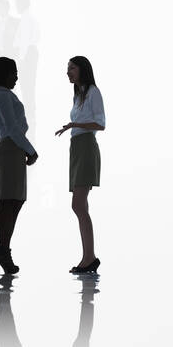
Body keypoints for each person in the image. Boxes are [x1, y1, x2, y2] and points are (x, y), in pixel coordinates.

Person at [0, 56, 37, 278]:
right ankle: (3, 250)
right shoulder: (2, 96)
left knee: (14, 200)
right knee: (9, 200)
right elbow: (14, 129)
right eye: (13, 72)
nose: (16, 76)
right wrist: (30, 150)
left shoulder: (1, 95)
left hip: (9, 149)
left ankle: (3, 249)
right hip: (10, 148)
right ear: (3, 74)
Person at [54, 56, 105, 274]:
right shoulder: (78, 94)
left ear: (83, 69)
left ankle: (89, 256)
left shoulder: (93, 92)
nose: (68, 72)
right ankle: (88, 257)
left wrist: (75, 124)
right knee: (80, 205)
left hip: (85, 147)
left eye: (72, 68)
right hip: (76, 148)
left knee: (78, 204)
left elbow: (101, 124)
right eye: (67, 69)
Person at [12, 0, 40, 132]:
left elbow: (24, 41)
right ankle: (30, 114)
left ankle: (30, 115)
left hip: (27, 55)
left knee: (27, 85)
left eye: (17, 3)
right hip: (29, 54)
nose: (16, 6)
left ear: (23, 4)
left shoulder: (26, 19)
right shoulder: (28, 18)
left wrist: (21, 59)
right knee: (28, 85)